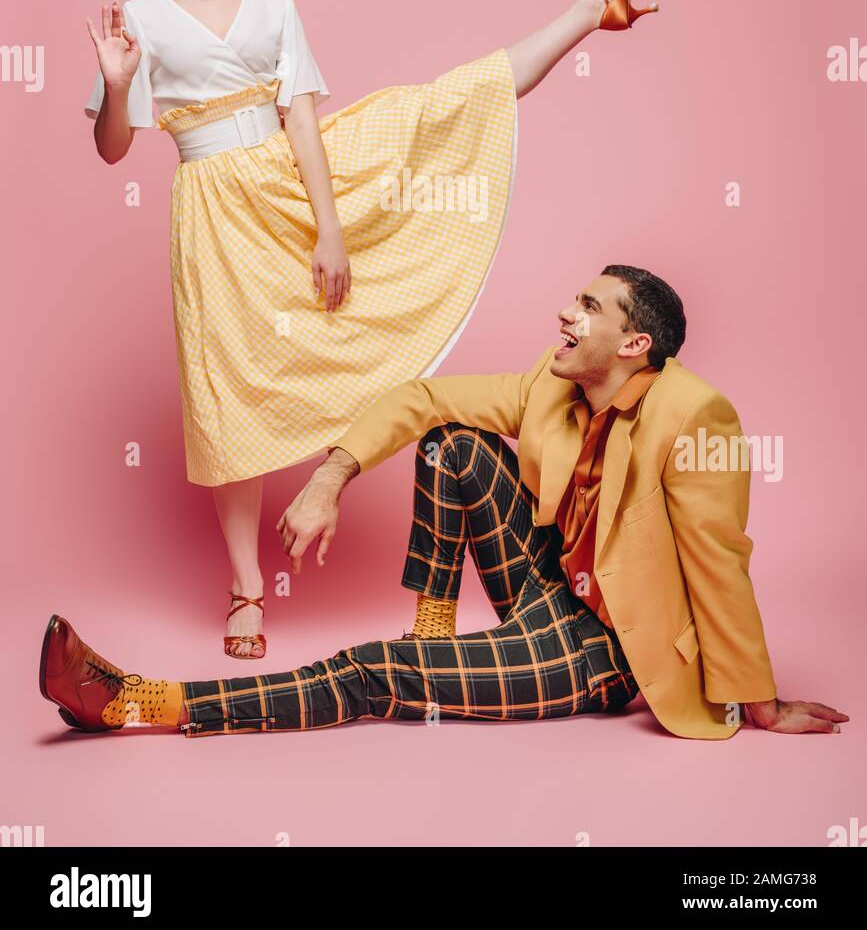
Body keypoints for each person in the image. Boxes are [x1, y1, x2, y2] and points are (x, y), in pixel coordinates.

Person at [84, 0, 658, 660]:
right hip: (211, 210)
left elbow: (303, 122)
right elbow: (111, 149)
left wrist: (329, 228)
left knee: (436, 108)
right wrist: (113, 81)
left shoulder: (274, 5)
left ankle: (587, 10)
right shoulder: (137, 19)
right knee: (226, 397)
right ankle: (246, 589)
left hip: (290, 184)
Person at [40, 266, 848, 740]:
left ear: (635, 345)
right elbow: (424, 397)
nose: (565, 315)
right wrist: (331, 476)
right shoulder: (551, 382)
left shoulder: (694, 416)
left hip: (608, 650)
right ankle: (431, 630)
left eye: (589, 309)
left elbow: (719, 562)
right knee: (450, 441)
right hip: (544, 587)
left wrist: (759, 700)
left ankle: (140, 703)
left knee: (371, 672)